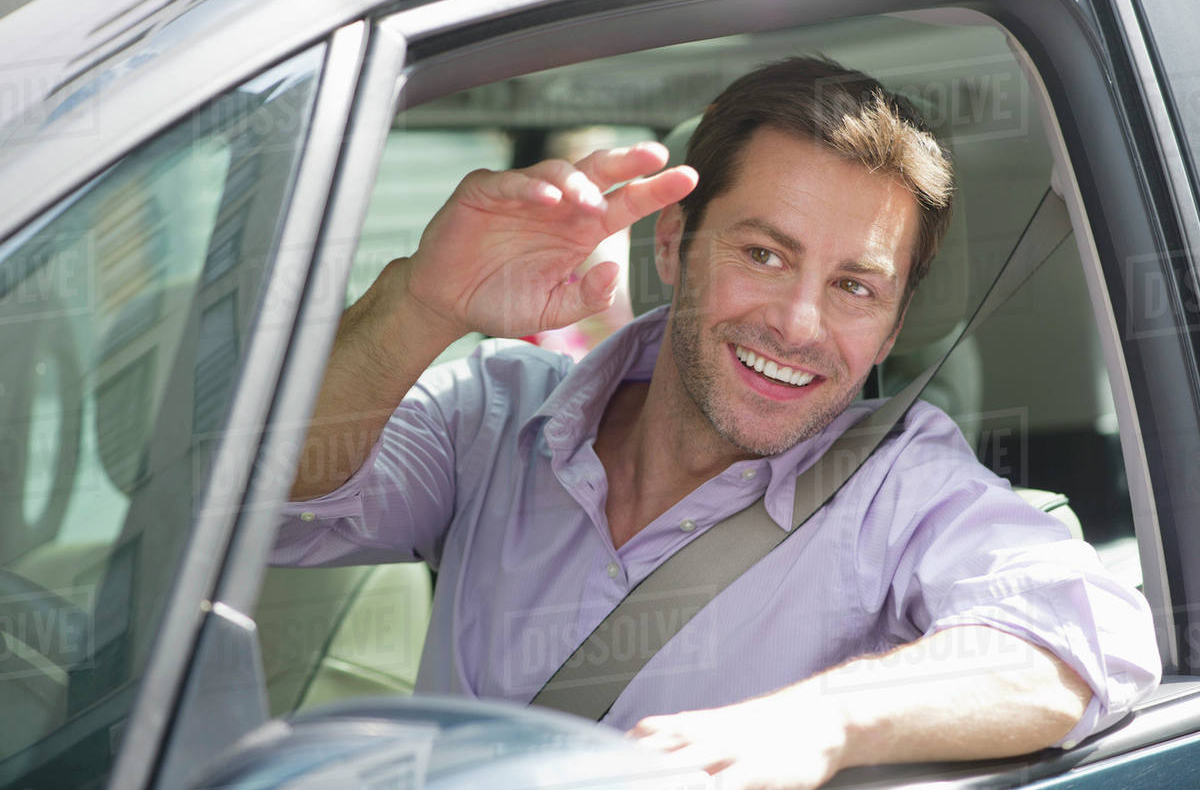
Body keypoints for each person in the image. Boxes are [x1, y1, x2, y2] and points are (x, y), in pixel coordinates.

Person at [273, 56, 1160, 790]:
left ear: (893, 325)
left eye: (855, 285)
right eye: (764, 254)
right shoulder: (497, 411)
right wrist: (420, 303)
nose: (800, 324)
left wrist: (821, 722)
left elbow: (1085, 633)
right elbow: (277, 504)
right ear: (673, 247)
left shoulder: (898, 487)